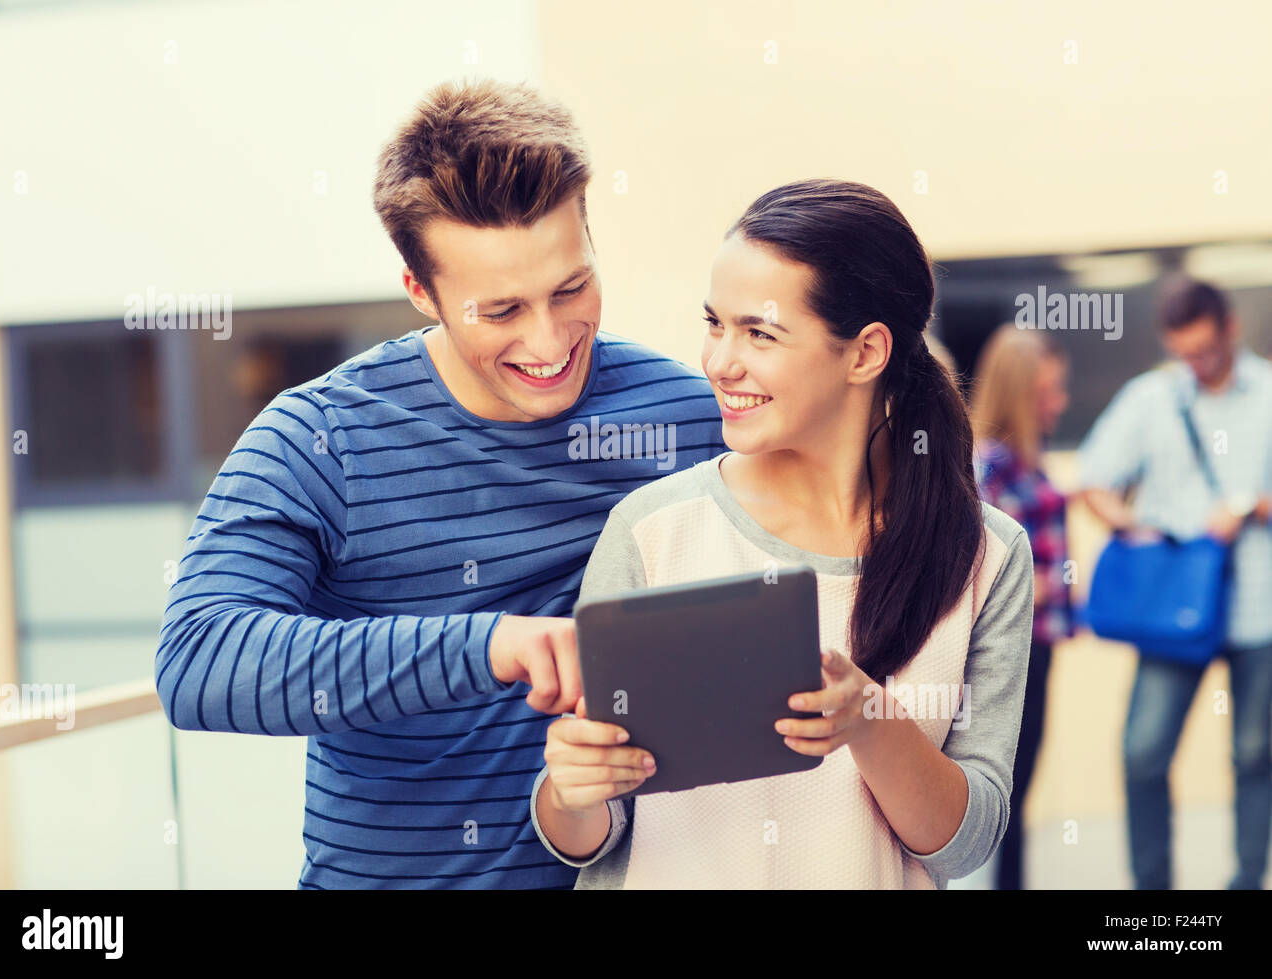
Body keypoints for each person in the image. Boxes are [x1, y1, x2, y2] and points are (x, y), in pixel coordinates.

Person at [154, 78, 728, 889]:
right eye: (502, 311)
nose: (550, 341)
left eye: (571, 288)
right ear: (421, 293)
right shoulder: (321, 438)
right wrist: (488, 645)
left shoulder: (688, 417)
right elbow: (199, 662)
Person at [530, 178, 1034, 888]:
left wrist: (868, 719)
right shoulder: (652, 530)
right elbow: (592, 832)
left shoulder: (988, 557)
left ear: (865, 353)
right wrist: (570, 792)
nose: (719, 362)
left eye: (759, 333)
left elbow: (964, 844)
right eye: (715, 324)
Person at [1078, 275, 1272, 890]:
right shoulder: (1150, 398)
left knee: (1255, 756)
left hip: (1260, 610)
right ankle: (1155, 899)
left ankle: (1245, 882)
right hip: (1173, 611)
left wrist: (1252, 507)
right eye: (1184, 353)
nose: (1197, 364)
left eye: (1207, 351)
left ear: (1231, 329)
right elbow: (1094, 480)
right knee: (1143, 752)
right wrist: (1134, 526)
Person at [970, 324, 1074, 889]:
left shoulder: (1030, 462)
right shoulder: (987, 468)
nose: (1059, 403)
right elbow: (973, 568)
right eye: (1047, 392)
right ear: (1019, 393)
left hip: (1040, 646)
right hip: (1012, 654)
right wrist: (1042, 584)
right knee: (1003, 795)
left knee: (1018, 797)